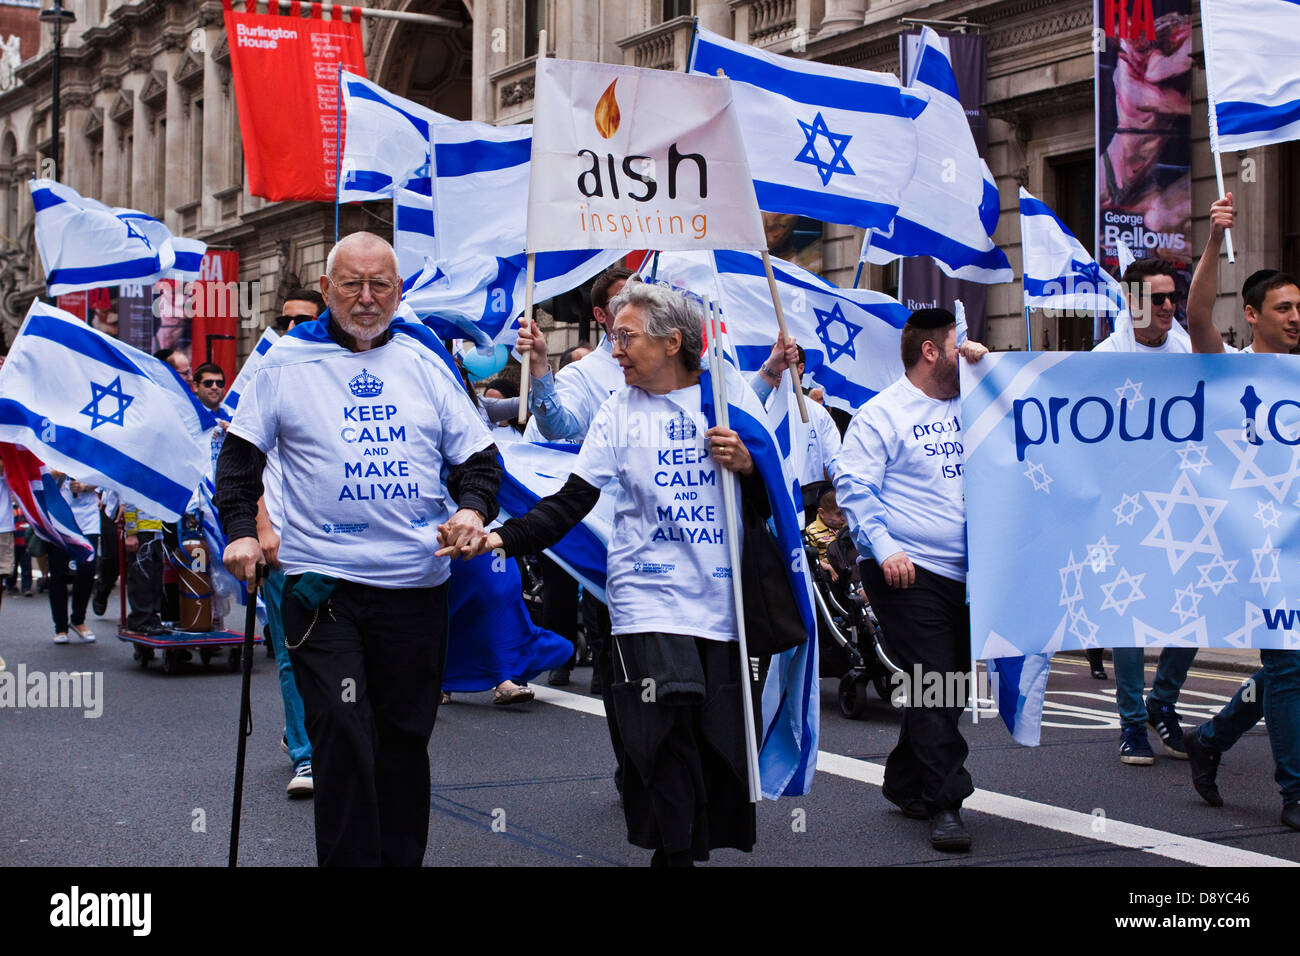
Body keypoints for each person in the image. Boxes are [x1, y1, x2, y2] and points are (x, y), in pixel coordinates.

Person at [459, 278, 768, 866]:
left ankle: (687, 844)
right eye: (613, 336)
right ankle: (672, 853)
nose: (615, 349)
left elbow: (774, 498)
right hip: (644, 602)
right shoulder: (616, 413)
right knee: (658, 730)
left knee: (712, 738)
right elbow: (569, 502)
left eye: (625, 337)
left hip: (720, 605)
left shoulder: (726, 401)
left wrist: (749, 464)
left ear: (672, 341)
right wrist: (499, 536)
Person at [216, 232, 502, 866]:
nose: (367, 298)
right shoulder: (284, 361)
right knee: (342, 736)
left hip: (415, 590)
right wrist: (240, 530)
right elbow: (238, 462)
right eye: (352, 284)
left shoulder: (426, 360)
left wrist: (470, 510)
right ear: (326, 290)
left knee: (402, 741)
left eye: (381, 286)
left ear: (398, 292)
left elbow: (480, 460)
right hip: (326, 591)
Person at [834, 307, 987, 852]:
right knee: (933, 680)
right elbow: (854, 487)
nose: (969, 348)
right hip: (908, 570)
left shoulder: (978, 398)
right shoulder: (882, 415)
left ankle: (904, 779)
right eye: (961, 341)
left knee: (948, 687)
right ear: (931, 351)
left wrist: (991, 370)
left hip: (973, 573)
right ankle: (946, 802)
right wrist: (886, 548)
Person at [1179, 194, 1300, 831]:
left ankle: (1211, 738)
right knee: (1288, 661)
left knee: (1295, 668)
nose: (1296, 317)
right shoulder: (1231, 372)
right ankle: (1295, 793)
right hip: (1255, 544)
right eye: (1283, 307)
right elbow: (1198, 313)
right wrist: (1211, 240)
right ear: (1252, 316)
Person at [1093, 258, 1199, 764]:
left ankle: (1165, 702)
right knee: (1129, 615)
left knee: (1197, 608)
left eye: (1172, 296)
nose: (1166, 306)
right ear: (1131, 300)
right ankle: (1133, 723)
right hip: (1125, 505)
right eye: (1155, 298)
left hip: (1186, 502)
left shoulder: (1189, 352)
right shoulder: (1104, 357)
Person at [518, 266, 631, 694]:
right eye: (624, 301)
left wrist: (769, 375)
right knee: (605, 629)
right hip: (601, 520)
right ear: (602, 316)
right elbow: (557, 425)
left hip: (660, 528)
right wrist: (542, 368)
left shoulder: (666, 366)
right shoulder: (586, 374)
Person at [256, 289, 326, 797]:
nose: (292, 325)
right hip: (285, 546)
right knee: (291, 652)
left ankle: (303, 729)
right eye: (285, 319)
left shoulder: (344, 373)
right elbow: (244, 463)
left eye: (304, 318)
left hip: (344, 549)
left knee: (342, 652)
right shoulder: (267, 374)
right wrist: (261, 531)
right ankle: (306, 755)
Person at [47, 474, 100, 643]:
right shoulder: (50, 448)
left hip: (87, 518)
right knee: (58, 573)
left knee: (87, 569)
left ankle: (78, 620)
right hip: (58, 516)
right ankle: (60, 627)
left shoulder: (90, 449)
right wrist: (59, 469)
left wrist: (85, 486)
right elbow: (40, 476)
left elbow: (102, 477)